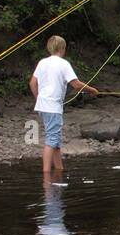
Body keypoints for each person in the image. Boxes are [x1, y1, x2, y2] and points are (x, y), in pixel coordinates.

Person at [30, 35, 98, 174]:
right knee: (51, 139)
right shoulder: (63, 64)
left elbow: (32, 83)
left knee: (55, 139)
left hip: (43, 106)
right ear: (62, 48)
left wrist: (39, 98)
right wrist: (92, 90)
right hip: (52, 107)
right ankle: (46, 175)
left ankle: (59, 169)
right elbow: (76, 84)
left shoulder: (42, 62)